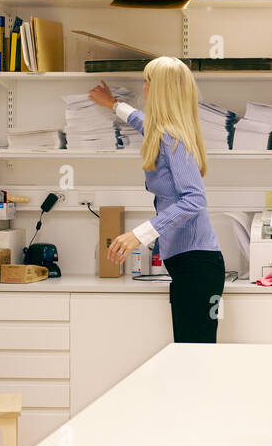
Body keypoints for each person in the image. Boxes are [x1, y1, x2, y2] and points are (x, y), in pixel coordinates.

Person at [88, 58, 224, 343]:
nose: (145, 87)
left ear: (161, 91)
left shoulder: (175, 140)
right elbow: (142, 122)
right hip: (188, 265)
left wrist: (139, 235)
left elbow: (194, 200)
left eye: (149, 82)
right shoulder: (164, 134)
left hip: (197, 268)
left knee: (196, 356)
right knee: (189, 354)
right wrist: (113, 104)